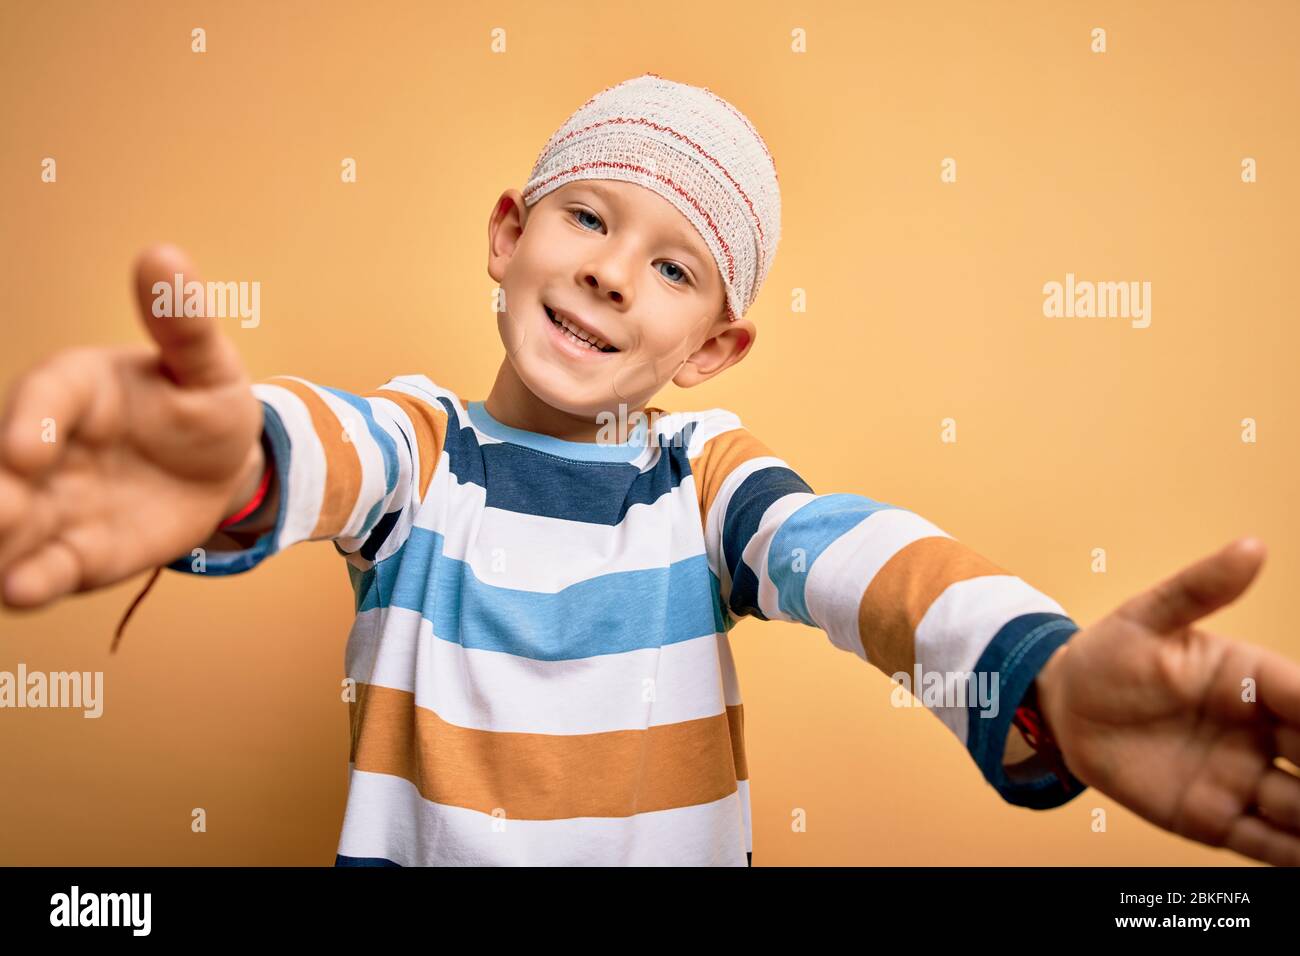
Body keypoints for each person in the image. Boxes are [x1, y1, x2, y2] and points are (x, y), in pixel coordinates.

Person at [1, 74, 1297, 866]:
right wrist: (238, 466)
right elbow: (333, 451)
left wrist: (1045, 677)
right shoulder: (425, 451)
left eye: (676, 267)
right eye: (588, 217)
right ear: (509, 237)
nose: (617, 271)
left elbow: (859, 561)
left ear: (713, 348)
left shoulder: (701, 483)